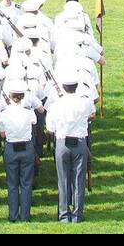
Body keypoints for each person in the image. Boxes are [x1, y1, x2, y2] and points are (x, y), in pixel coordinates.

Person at [47, 68, 95, 223]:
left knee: (63, 180)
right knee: (78, 180)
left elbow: (50, 129)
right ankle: (77, 214)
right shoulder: (84, 102)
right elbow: (91, 114)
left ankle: (63, 214)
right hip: (80, 142)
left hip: (62, 142)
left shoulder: (56, 105)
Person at [0, 81, 38, 221]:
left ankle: (13, 215)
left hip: (11, 148)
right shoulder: (29, 112)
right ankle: (25, 216)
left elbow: (2, 134)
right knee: (26, 183)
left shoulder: (4, 114)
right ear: (22, 97)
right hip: (26, 148)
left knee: (12, 184)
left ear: (9, 96)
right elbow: (34, 122)